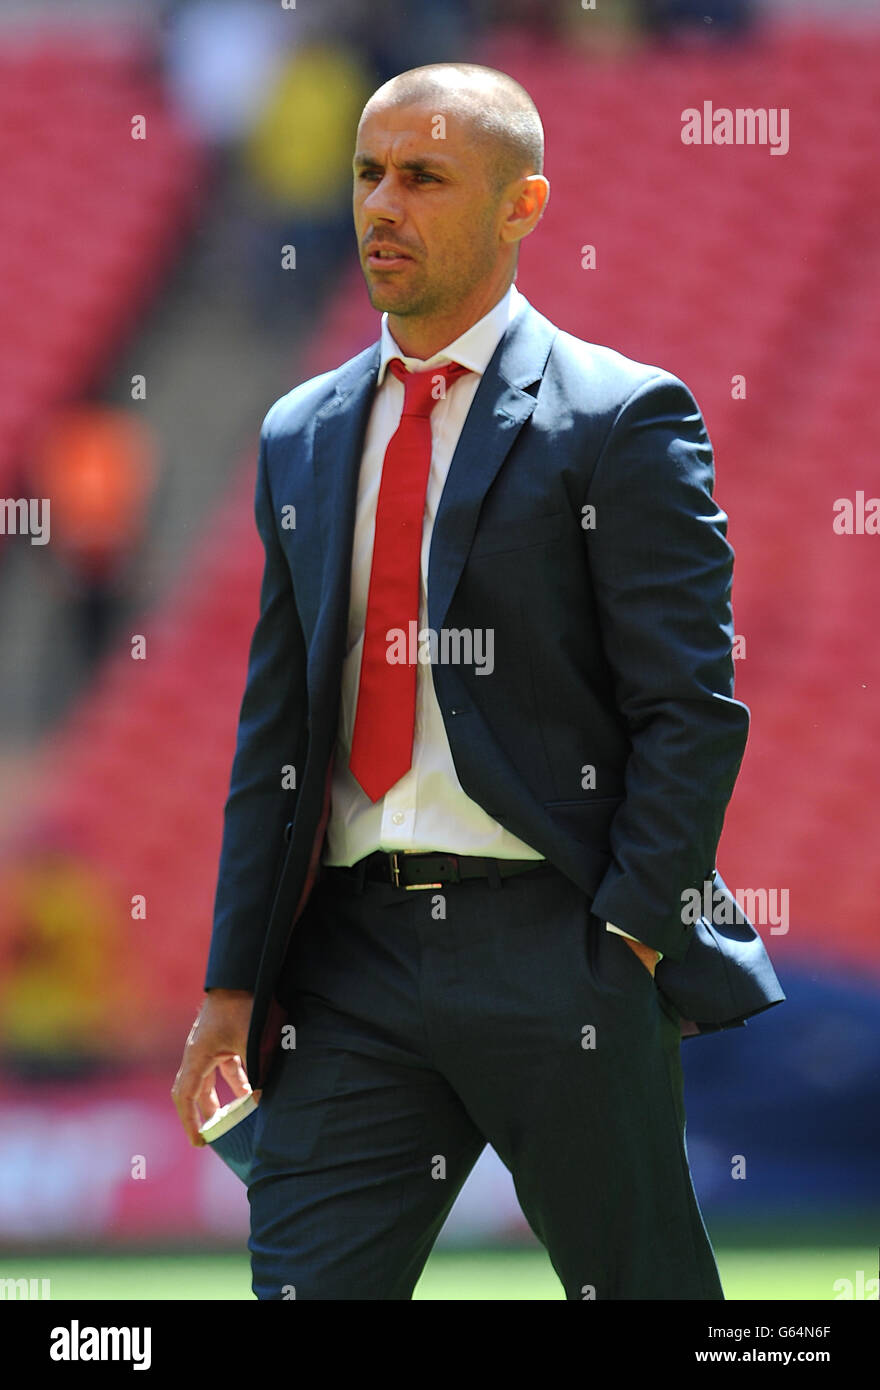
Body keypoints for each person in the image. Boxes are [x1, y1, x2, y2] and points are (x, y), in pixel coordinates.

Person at [172, 62, 783, 1300]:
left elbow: (691, 707)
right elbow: (275, 733)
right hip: (348, 963)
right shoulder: (299, 428)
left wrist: (625, 934)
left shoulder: (621, 417)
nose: (380, 206)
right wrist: (231, 985)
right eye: (366, 175)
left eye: (423, 177)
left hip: (558, 940)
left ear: (522, 206)